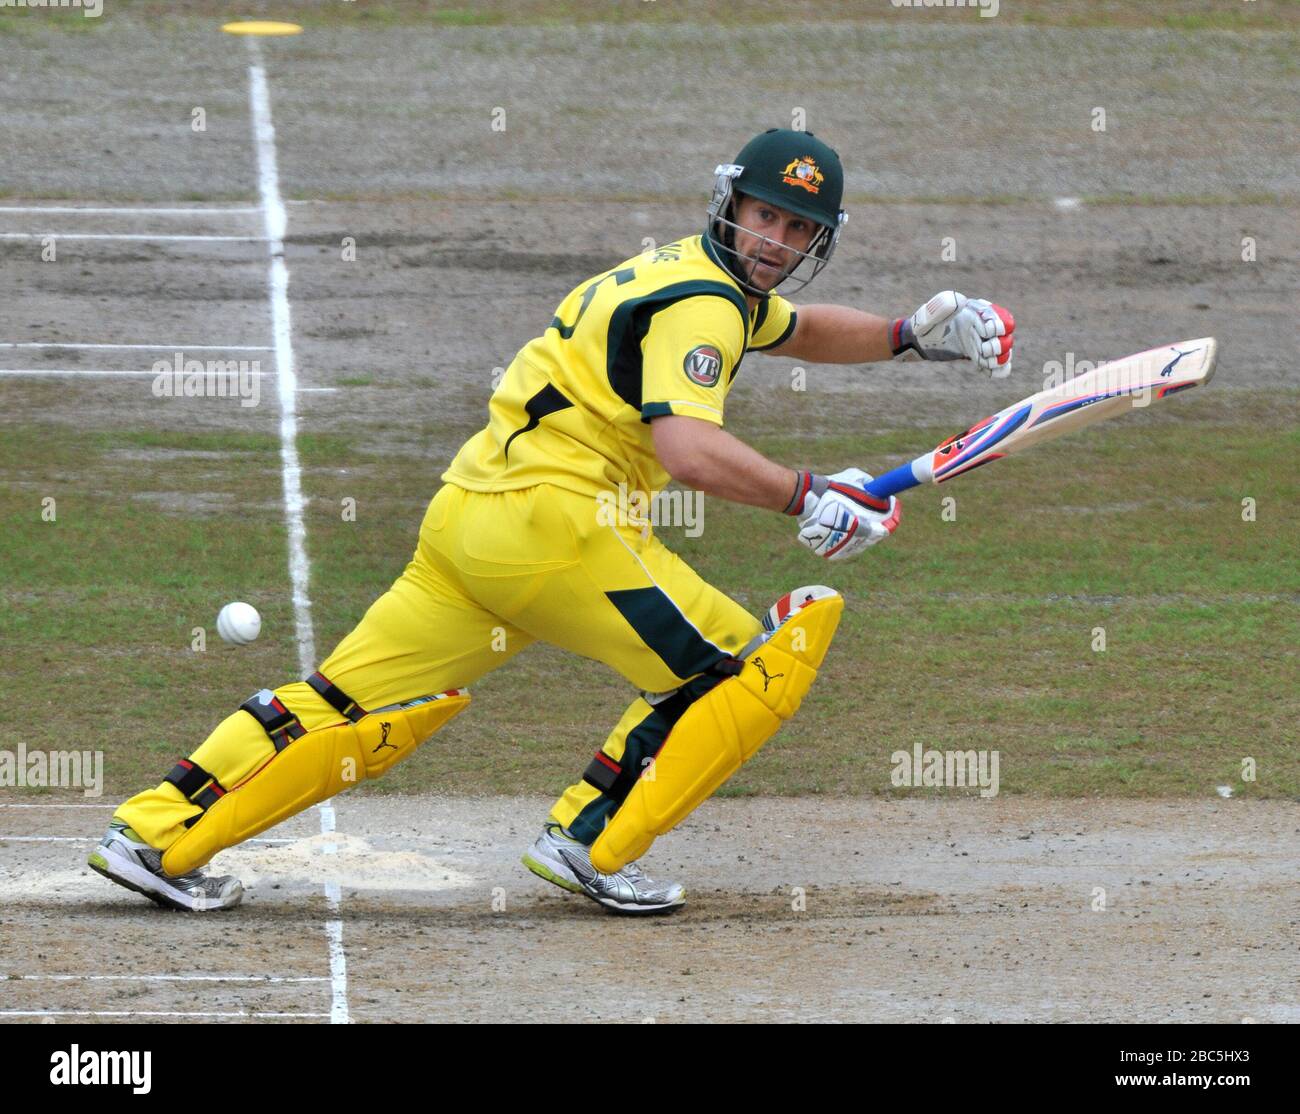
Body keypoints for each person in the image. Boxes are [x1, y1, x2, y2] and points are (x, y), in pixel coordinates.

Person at [89, 128, 1014, 915]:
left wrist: (908, 333)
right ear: (733, 204)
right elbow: (689, 451)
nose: (775, 240)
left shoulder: (689, 273)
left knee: (341, 701)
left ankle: (153, 836)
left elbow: (798, 328)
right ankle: (589, 845)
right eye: (766, 216)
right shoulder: (704, 305)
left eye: (797, 227)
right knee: (745, 667)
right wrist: (807, 494)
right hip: (561, 534)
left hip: (469, 523)